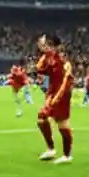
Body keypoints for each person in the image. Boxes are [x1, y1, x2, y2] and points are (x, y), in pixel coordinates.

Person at [34, 33, 74, 164]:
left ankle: (67, 155)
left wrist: (58, 96)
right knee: (41, 118)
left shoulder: (62, 58)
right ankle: (51, 149)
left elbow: (68, 77)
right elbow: (39, 69)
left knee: (62, 123)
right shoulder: (48, 57)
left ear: (53, 45)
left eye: (46, 43)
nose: (43, 46)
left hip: (62, 92)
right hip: (52, 92)